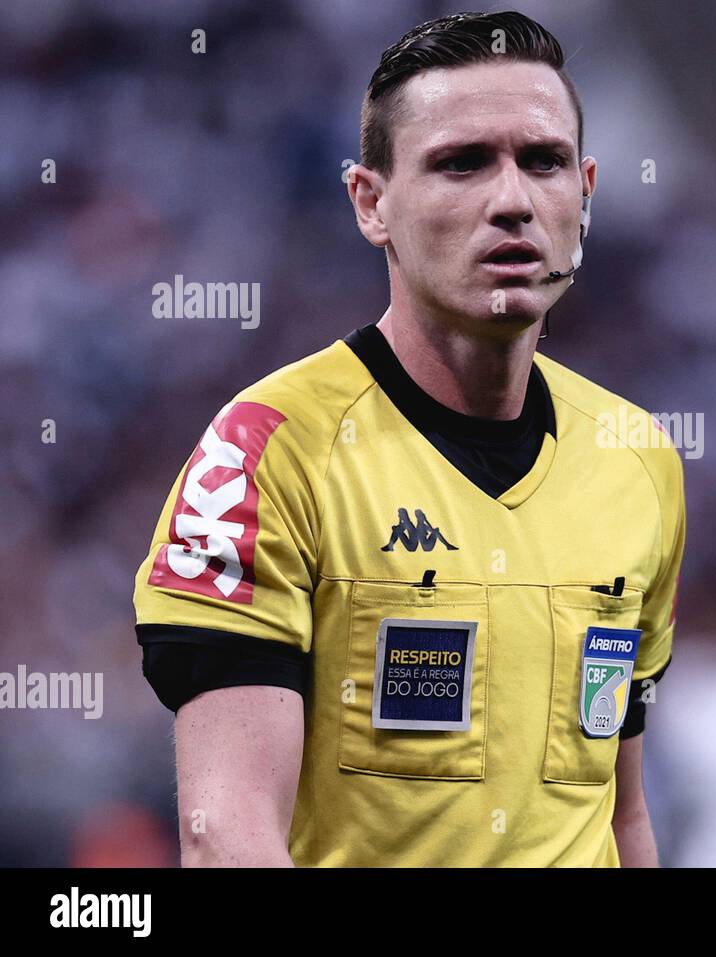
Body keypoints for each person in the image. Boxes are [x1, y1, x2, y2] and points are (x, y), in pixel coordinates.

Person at [131, 10, 685, 867]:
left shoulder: (637, 455)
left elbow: (621, 812)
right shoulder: (264, 454)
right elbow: (226, 835)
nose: (512, 200)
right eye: (461, 163)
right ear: (371, 202)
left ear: (585, 192)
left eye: (542, 162)